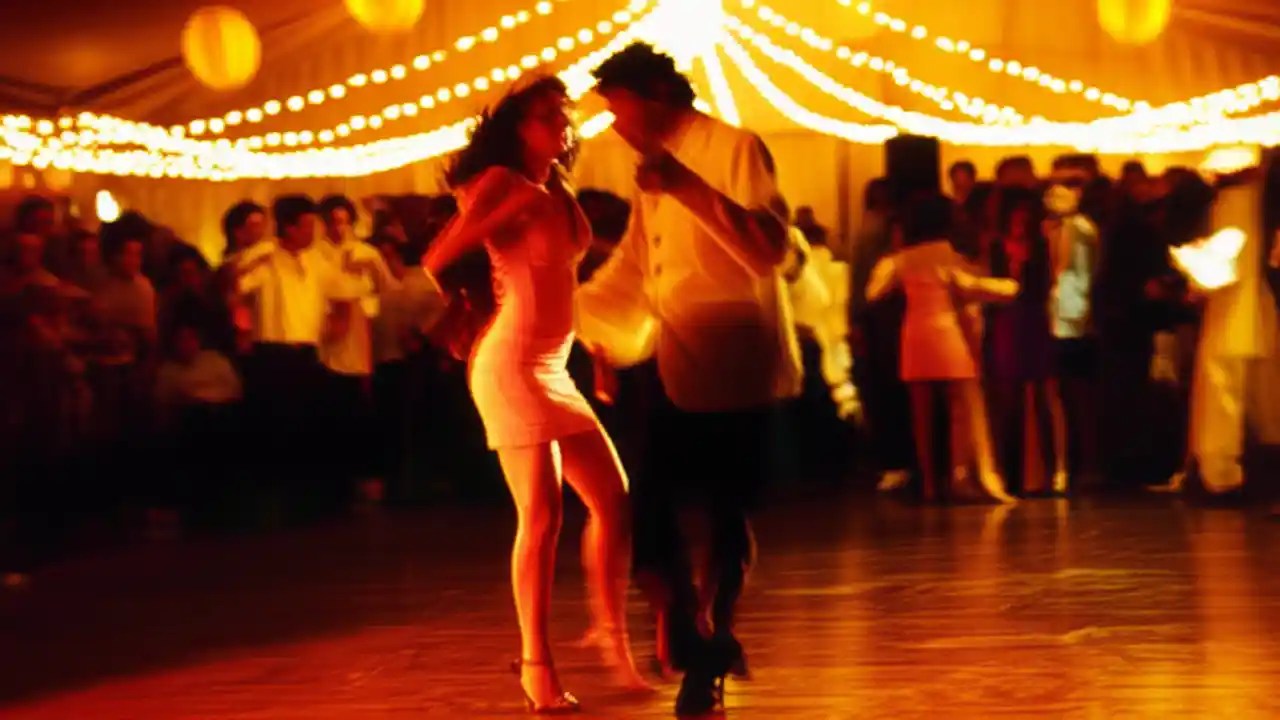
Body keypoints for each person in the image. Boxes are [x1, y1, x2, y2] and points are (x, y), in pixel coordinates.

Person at [575, 42, 801, 715]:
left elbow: (769, 249)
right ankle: (692, 631)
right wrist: (566, 309)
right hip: (676, 355)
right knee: (649, 508)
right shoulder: (648, 169)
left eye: (618, 106)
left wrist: (688, 188)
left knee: (726, 511)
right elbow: (637, 270)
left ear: (657, 96)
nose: (612, 123)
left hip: (736, 353)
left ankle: (712, 637)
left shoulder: (733, 146)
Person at [422, 74, 647, 714]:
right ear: (517, 127)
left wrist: (597, 349)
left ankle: (611, 638)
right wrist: (504, 213)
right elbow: (438, 260)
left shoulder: (558, 187)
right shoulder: (504, 184)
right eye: (547, 114)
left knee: (613, 499)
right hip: (511, 364)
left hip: (554, 366)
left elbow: (561, 283)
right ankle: (535, 665)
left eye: (563, 113)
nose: (561, 123)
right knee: (543, 519)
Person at [866, 194, 1016, 503]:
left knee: (922, 412)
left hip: (914, 333)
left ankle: (930, 483)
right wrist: (1013, 288)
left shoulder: (902, 259)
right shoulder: (948, 254)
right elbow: (971, 287)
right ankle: (965, 476)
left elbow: (873, 293)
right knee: (963, 406)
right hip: (948, 333)